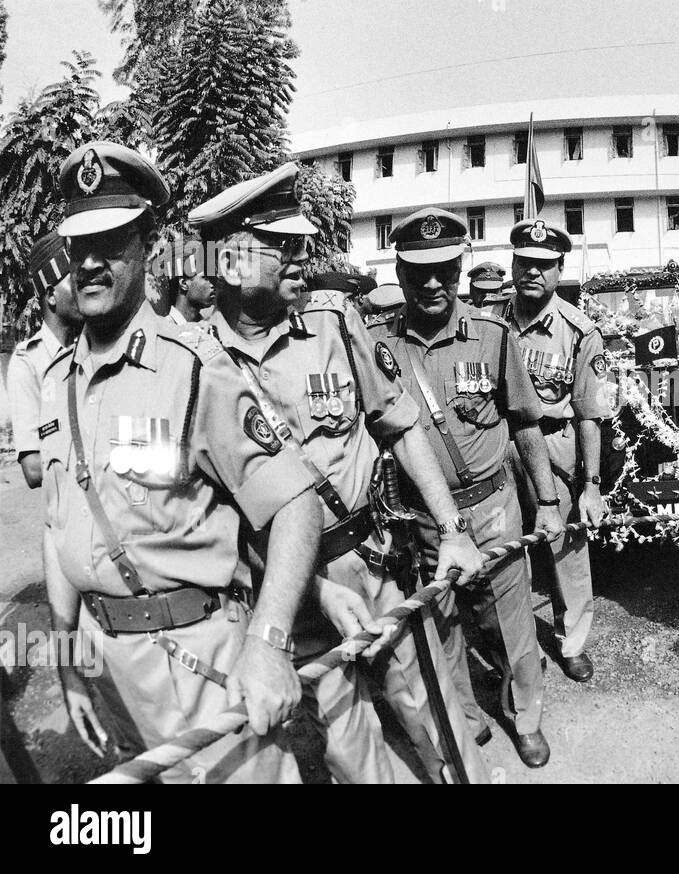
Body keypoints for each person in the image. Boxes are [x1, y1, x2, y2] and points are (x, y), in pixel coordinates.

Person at [190, 166, 487, 784]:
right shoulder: (193, 364)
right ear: (232, 260)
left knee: (436, 719)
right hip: (290, 595)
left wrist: (453, 528)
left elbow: (400, 426)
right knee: (352, 752)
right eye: (282, 246)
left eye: (302, 242)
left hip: (379, 562)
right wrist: (312, 589)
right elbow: (215, 518)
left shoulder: (333, 321)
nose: (303, 255)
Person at [42, 141, 323, 783]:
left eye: (111, 240)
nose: (88, 263)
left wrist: (269, 641)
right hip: (107, 663)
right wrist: (66, 662)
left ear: (147, 241)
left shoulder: (194, 368)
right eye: (78, 244)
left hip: (201, 663)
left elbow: (295, 502)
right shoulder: (57, 381)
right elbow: (59, 529)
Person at [373, 207, 564, 768]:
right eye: (418, 273)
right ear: (401, 273)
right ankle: (468, 719)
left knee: (512, 625)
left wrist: (548, 503)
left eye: (446, 271)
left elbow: (526, 424)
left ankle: (525, 716)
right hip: (424, 520)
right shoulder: (378, 347)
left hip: (493, 507)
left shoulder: (491, 334)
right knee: (443, 625)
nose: (433, 284)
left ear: (461, 267)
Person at [502, 218, 611, 683]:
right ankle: (517, 645)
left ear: (559, 269)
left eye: (544, 265)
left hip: (554, 445)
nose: (533, 272)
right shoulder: (488, 320)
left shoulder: (580, 331)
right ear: (513, 263)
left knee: (566, 548)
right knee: (507, 550)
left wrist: (591, 485)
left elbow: (589, 412)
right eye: (525, 262)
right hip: (498, 443)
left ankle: (573, 641)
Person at [7, 232, 80, 488]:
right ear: (51, 295)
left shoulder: (90, 349)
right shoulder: (28, 362)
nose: (85, 288)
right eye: (75, 281)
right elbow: (33, 469)